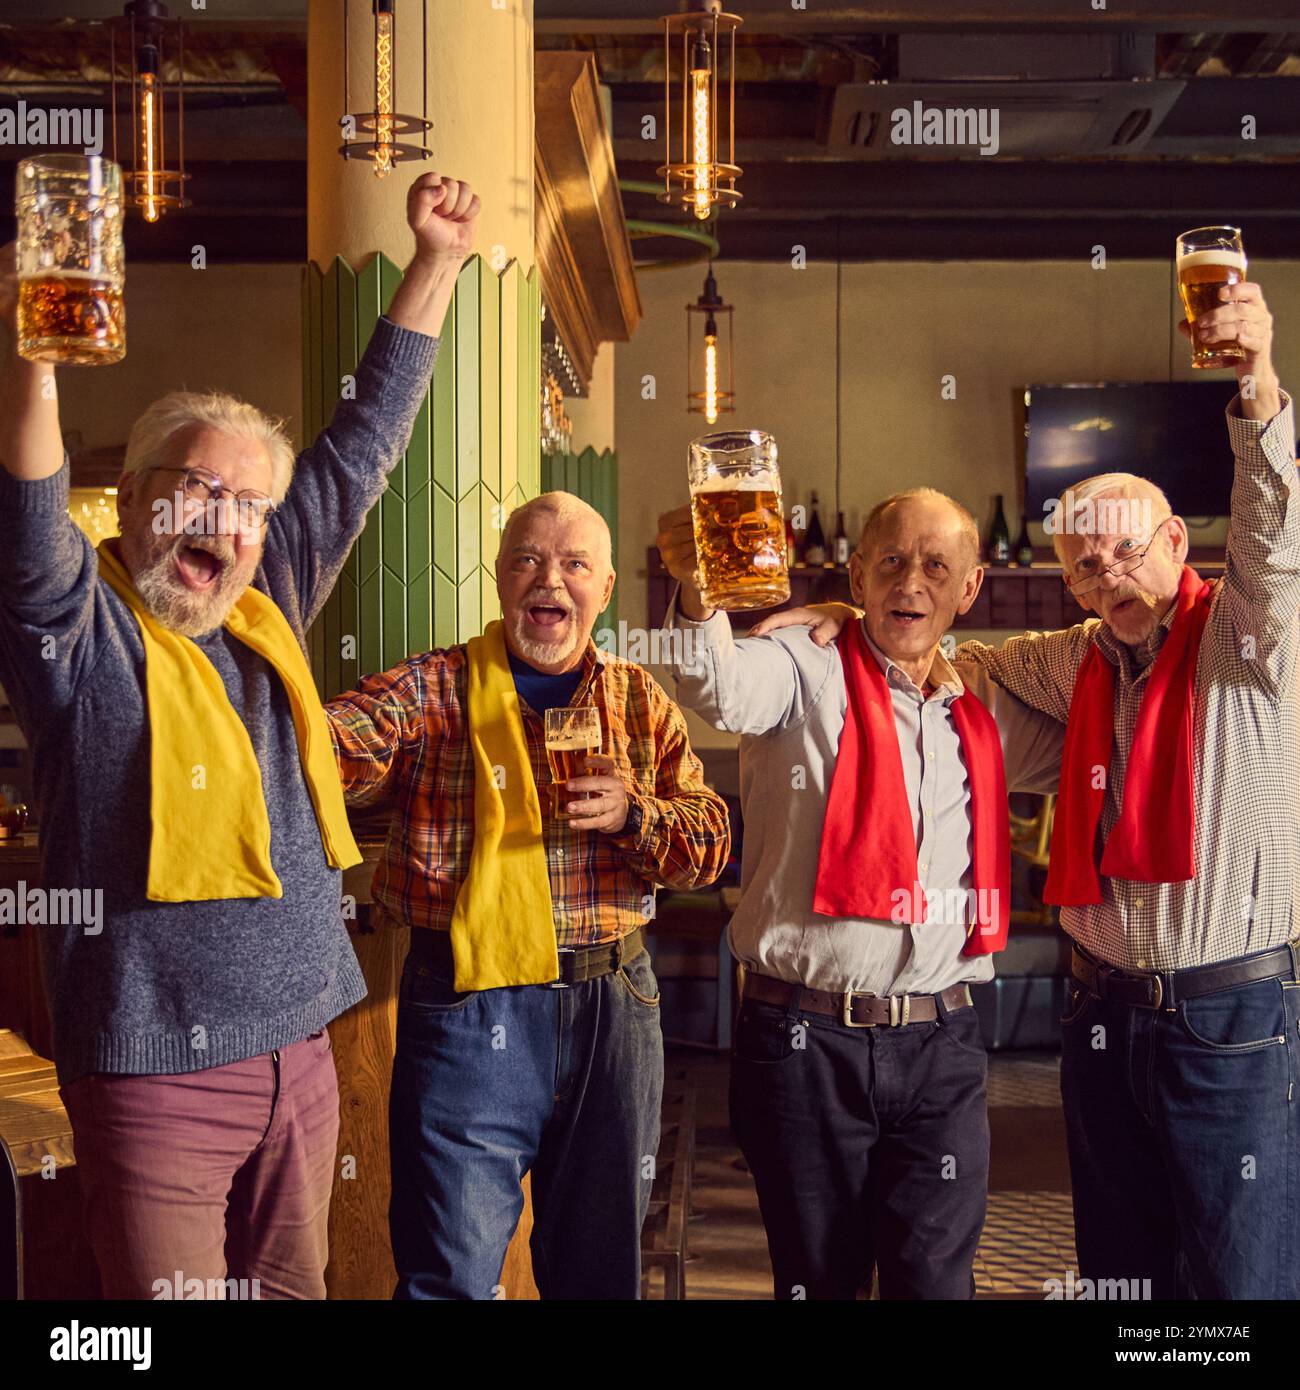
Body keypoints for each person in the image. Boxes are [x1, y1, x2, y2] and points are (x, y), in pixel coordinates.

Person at [758, 280, 1299, 1300]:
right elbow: (946, 653)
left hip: (1230, 1018)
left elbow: (1275, 537)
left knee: (1239, 1282)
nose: (1107, 584)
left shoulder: (1247, 634)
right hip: (1100, 1023)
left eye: (1125, 555)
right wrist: (849, 612)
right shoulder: (1070, 657)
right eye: (1084, 569)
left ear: (1176, 543)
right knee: (1124, 1277)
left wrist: (1256, 382)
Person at [0, 171, 478, 1299]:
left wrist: (440, 263)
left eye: (253, 504)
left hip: (302, 1051)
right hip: (156, 1072)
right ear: (134, 500)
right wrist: (35, 339)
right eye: (199, 489)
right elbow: (26, 510)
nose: (230, 518)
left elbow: (364, 445)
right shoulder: (82, 632)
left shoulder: (267, 608)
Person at [655, 488, 1063, 1299]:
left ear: (969, 588)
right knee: (818, 1281)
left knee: (935, 1283)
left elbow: (1112, 723)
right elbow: (719, 685)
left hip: (943, 1043)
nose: (911, 582)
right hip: (804, 1042)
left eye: (935, 566)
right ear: (858, 572)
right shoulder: (804, 661)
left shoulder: (985, 705)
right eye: (891, 563)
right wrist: (699, 590)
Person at [325, 491, 730, 1300]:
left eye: (574, 563)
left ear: (604, 589)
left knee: (599, 1272)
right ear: (502, 580)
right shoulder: (434, 688)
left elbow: (710, 844)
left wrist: (633, 815)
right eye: (527, 560)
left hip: (614, 1004)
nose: (550, 579)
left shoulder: (639, 701)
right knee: (451, 1274)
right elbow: (331, 743)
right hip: (470, 1003)